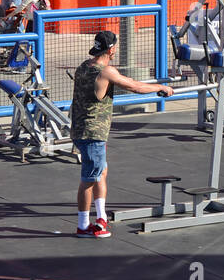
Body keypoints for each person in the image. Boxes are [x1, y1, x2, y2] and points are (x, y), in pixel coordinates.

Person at [69, 30, 174, 239]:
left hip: (81, 129)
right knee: (88, 179)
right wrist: (161, 87)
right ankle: (83, 226)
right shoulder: (106, 71)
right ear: (111, 49)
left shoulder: (83, 67)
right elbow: (134, 87)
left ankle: (100, 218)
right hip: (93, 133)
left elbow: (123, 80)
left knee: (101, 172)